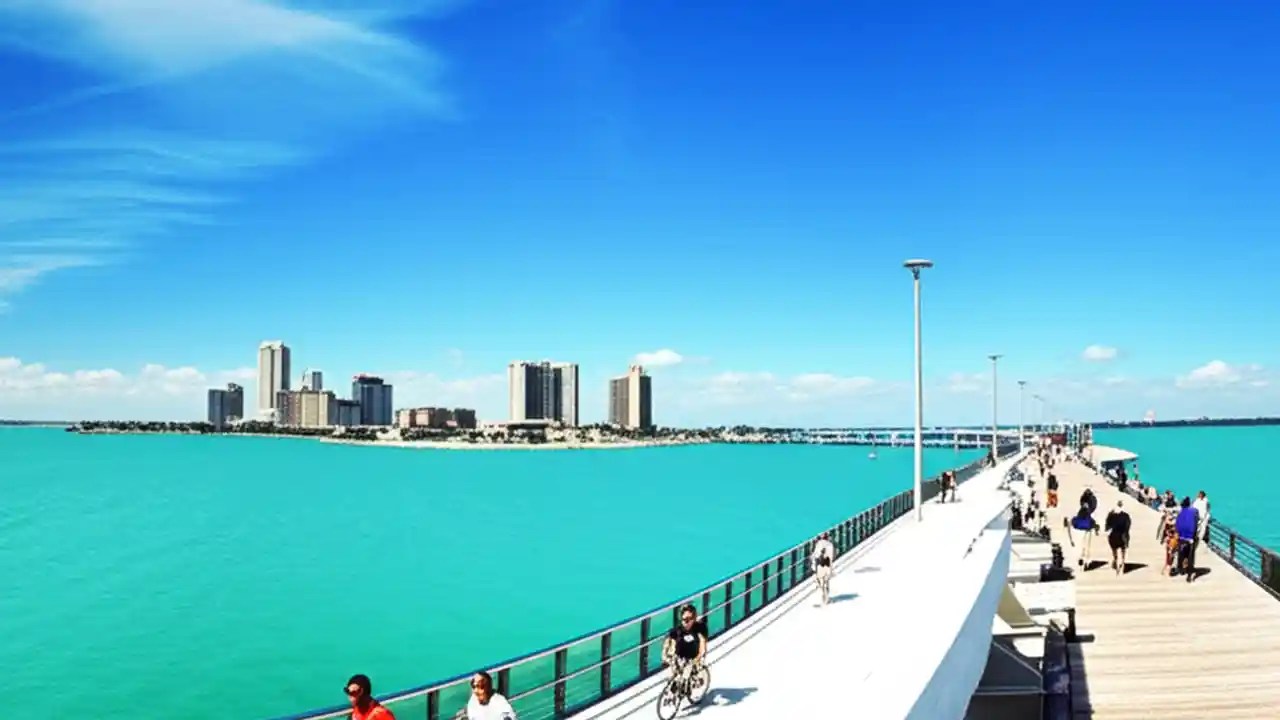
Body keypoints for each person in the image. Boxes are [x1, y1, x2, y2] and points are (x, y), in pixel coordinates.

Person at [663, 604, 708, 687]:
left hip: (695, 654)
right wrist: (665, 655)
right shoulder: (678, 630)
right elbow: (667, 641)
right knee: (677, 674)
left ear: (694, 619)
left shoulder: (700, 628)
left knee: (690, 670)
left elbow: (702, 643)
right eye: (684, 620)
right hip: (681, 654)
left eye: (689, 619)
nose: (686, 622)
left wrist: (699, 657)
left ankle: (694, 680)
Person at [1175, 497, 1200, 583]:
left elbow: (1177, 525)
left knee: (1181, 554)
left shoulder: (1180, 512)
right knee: (1190, 556)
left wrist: (1178, 533)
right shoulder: (1194, 511)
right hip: (1190, 537)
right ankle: (1189, 573)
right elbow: (1195, 523)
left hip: (1181, 536)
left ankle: (1180, 569)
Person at [1104, 500, 1131, 575]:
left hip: (1114, 535)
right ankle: (1122, 562)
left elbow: (1107, 526)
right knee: (1123, 549)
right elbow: (1128, 527)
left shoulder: (1112, 514)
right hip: (1122, 535)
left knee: (1114, 549)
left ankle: (1115, 561)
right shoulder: (1126, 515)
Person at [1070, 500, 1099, 567]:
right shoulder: (1088, 517)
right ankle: (1086, 561)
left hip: (1079, 531)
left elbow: (1073, 522)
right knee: (1087, 546)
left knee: (1080, 546)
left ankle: (1081, 558)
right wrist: (1095, 528)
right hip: (1087, 531)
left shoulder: (1078, 516)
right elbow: (1093, 523)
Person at [811, 532, 836, 604]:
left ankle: (823, 593)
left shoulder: (818, 544)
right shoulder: (830, 545)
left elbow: (815, 555)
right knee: (826, 581)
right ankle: (826, 596)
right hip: (828, 565)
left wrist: (813, 564)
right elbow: (832, 556)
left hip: (820, 565)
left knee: (818, 579)